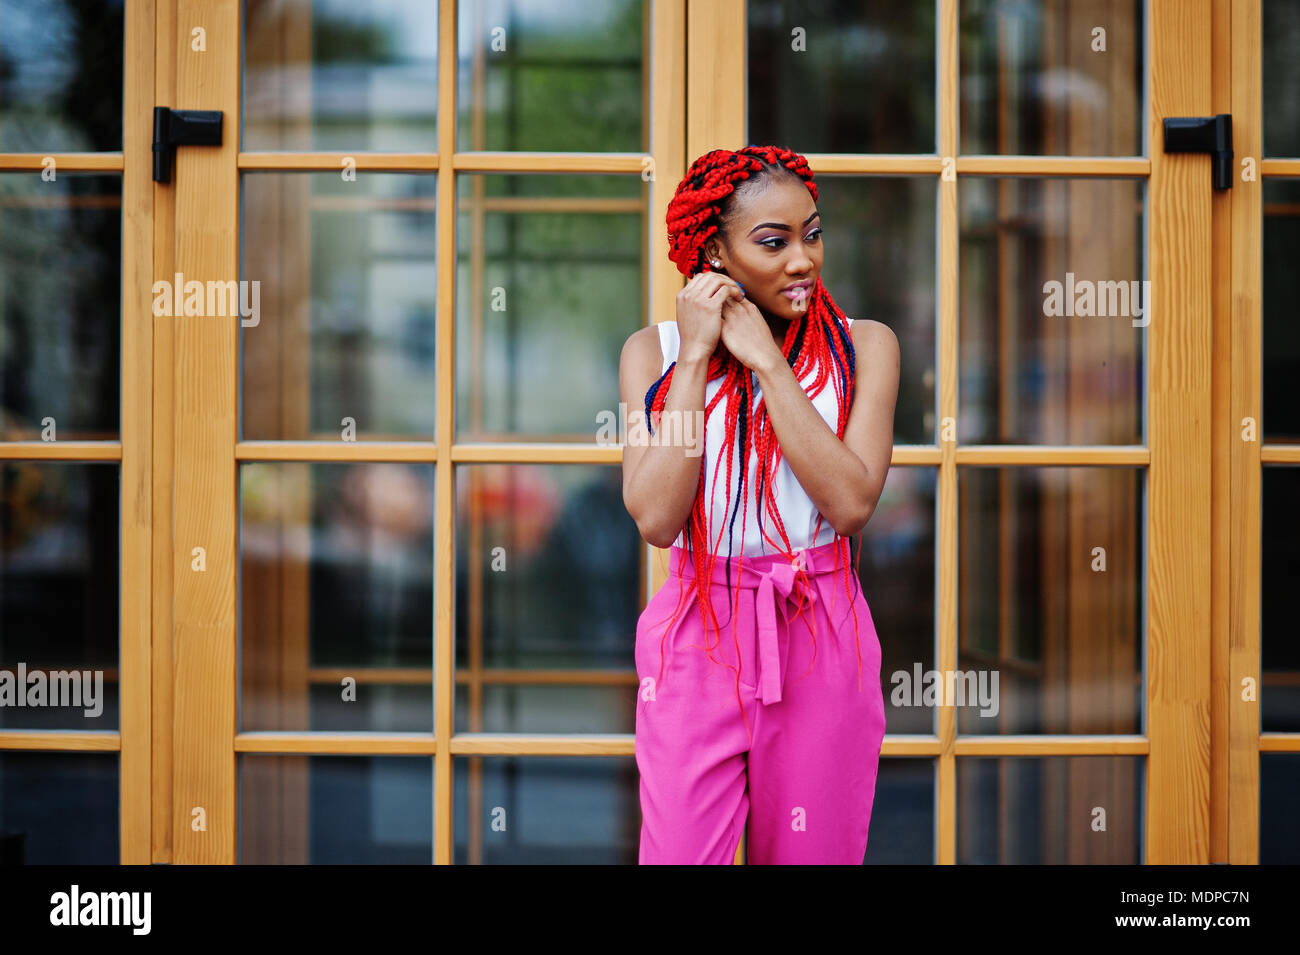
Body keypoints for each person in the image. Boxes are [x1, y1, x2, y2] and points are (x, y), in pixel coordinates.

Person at [619, 144, 899, 864]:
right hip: (696, 630)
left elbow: (852, 501)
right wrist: (695, 360)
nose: (802, 260)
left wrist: (768, 364)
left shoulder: (866, 347)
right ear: (713, 248)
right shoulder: (651, 353)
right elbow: (656, 517)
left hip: (819, 625)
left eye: (812, 233)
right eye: (772, 242)